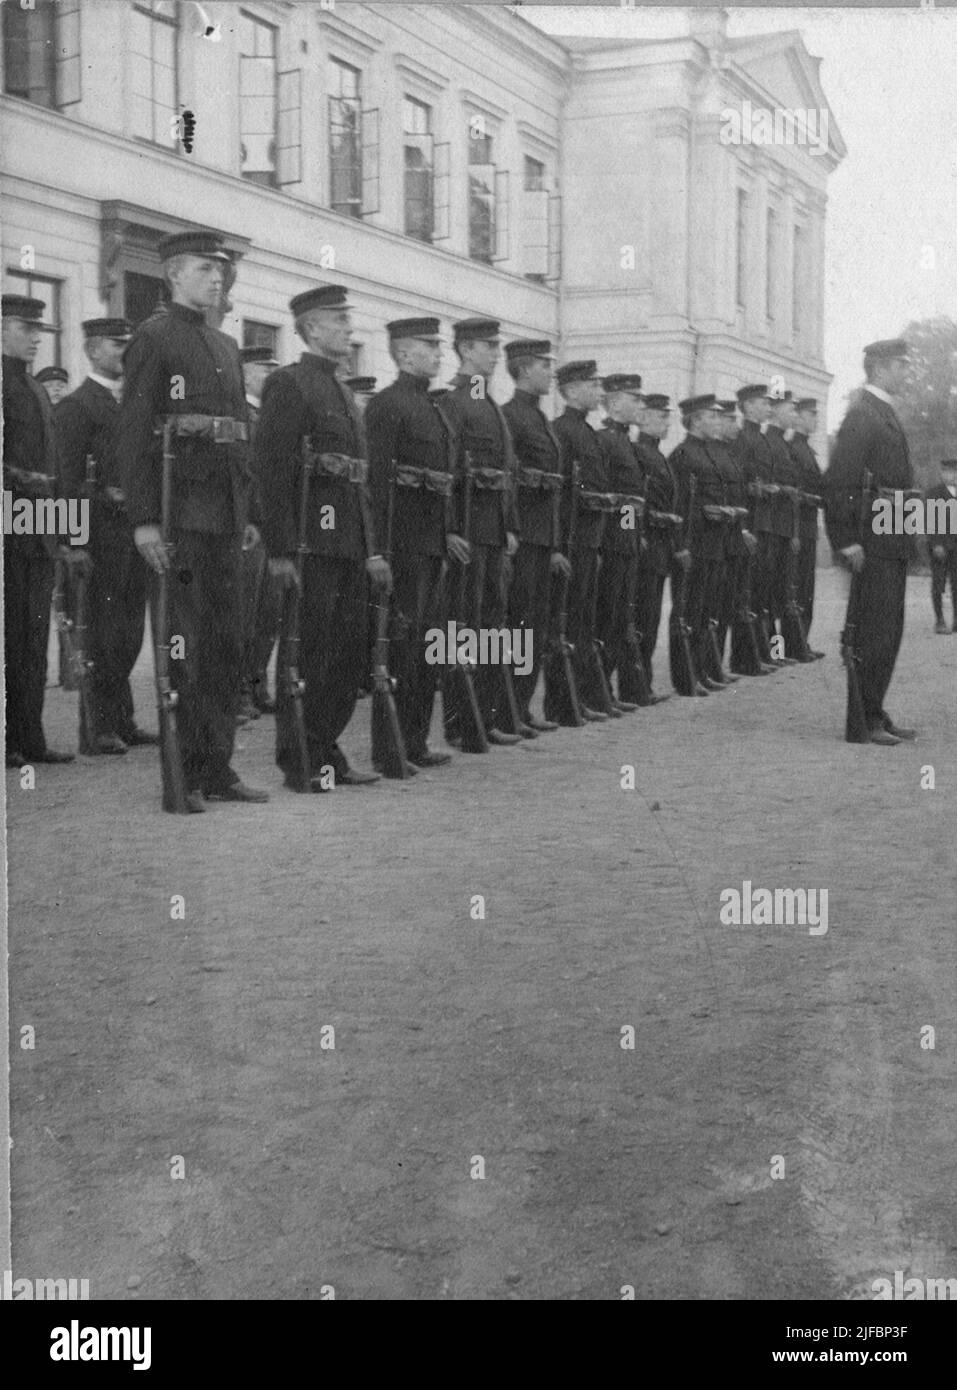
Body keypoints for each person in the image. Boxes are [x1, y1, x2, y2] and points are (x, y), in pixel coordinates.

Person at [118, 229, 268, 810]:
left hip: (225, 515)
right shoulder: (153, 339)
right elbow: (135, 433)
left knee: (227, 644)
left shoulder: (226, 346)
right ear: (174, 274)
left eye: (220, 269)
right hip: (179, 514)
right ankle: (182, 777)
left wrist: (247, 510)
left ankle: (217, 768)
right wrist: (144, 521)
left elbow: (240, 435)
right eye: (205, 268)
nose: (216, 277)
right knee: (184, 648)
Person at [255, 284, 390, 790]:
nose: (348, 329)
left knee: (347, 655)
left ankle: (327, 749)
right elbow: (272, 470)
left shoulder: (343, 392)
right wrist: (281, 549)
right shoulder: (289, 384)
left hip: (348, 543)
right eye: (339, 320)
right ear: (311, 327)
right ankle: (300, 760)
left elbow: (359, 481)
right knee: (307, 652)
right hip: (311, 543)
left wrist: (371, 548)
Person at [55, 317, 156, 754]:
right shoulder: (75, 407)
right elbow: (64, 479)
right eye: (117, 345)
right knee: (101, 633)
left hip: (132, 534)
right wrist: (72, 542)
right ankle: (96, 728)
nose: (125, 353)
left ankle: (122, 720)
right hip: (97, 537)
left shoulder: (133, 404)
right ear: (93, 351)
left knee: (130, 633)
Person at [365, 317, 462, 770]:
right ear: (404, 354)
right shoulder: (387, 405)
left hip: (431, 544)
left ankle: (416, 741)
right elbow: (376, 483)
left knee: (426, 647)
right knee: (400, 646)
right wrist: (377, 549)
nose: (439, 354)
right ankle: (390, 750)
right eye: (430, 346)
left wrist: (447, 532)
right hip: (401, 543)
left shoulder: (432, 407)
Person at [823, 338, 916, 745]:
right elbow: (839, 481)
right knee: (872, 631)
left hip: (891, 532)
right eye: (900, 365)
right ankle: (862, 721)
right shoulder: (863, 415)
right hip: (872, 536)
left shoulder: (884, 413)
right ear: (879, 368)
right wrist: (845, 540)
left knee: (889, 629)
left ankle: (874, 710)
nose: (906, 372)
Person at [437, 317, 523, 746]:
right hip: (468, 533)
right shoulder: (454, 402)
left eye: (496, 346)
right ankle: (459, 722)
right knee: (460, 627)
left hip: (492, 533)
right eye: (488, 346)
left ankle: (484, 718)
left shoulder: (488, 403)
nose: (496, 354)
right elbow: (447, 472)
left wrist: (510, 526)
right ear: (466, 350)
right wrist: (450, 528)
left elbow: (506, 473)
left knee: (490, 625)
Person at [3, 294, 76, 766]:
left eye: (38, 331)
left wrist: (68, 536)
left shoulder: (32, 387)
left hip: (38, 530)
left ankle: (30, 739)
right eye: (26, 329)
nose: (35, 339)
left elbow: (57, 468)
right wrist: (18, 479)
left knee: (32, 639)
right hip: (8, 527)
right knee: (9, 637)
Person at [501, 338, 569, 732]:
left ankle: (522, 708)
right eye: (545, 366)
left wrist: (555, 544)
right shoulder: (510, 416)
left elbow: (554, 490)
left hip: (542, 538)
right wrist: (512, 529)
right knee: (519, 626)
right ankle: (507, 710)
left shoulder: (540, 417)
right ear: (524, 370)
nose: (551, 373)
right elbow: (510, 479)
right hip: (524, 537)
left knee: (535, 626)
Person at [551, 360, 617, 720]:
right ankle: (563, 703)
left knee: (584, 623)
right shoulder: (562, 431)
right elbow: (558, 496)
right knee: (566, 623)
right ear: (573, 390)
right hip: (571, 540)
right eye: (592, 385)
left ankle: (580, 698)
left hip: (590, 540)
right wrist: (557, 546)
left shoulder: (589, 433)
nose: (598, 391)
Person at [669, 395, 729, 693]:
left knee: (705, 611)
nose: (718, 422)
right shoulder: (683, 455)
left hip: (712, 542)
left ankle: (701, 670)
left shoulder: (708, 453)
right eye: (712, 416)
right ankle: (685, 678)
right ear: (695, 420)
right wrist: (680, 545)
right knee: (687, 612)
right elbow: (678, 504)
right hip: (693, 543)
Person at [596, 374, 645, 710]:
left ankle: (607, 691)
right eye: (633, 398)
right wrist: (617, 536)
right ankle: (598, 691)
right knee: (606, 617)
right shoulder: (605, 441)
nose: (639, 404)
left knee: (619, 618)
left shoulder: (626, 442)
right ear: (614, 403)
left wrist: (632, 534)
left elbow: (630, 499)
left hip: (624, 542)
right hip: (610, 544)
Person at [237, 345, 280, 722]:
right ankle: (238, 693)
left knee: (269, 613)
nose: (269, 375)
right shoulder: (239, 415)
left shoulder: (270, 417)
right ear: (245, 374)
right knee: (244, 612)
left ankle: (257, 685)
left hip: (272, 527)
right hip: (248, 527)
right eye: (263, 369)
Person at [709, 400, 762, 676]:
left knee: (730, 602)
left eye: (734, 420)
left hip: (734, 536)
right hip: (714, 539)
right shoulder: (708, 454)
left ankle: (717, 665)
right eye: (729, 420)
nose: (735, 426)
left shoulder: (729, 454)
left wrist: (742, 528)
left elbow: (738, 497)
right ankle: (708, 667)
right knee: (713, 605)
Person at [633, 393, 678, 701]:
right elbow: (633, 501)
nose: (667, 423)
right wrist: (637, 532)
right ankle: (635, 686)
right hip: (646, 544)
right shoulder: (639, 453)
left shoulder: (659, 456)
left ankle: (642, 684)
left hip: (660, 546)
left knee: (651, 618)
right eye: (661, 417)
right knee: (640, 617)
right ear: (644, 418)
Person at [764, 389, 808, 661]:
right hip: (771, 528)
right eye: (790, 409)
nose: (794, 414)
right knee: (769, 596)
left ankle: (777, 653)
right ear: (775, 410)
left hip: (785, 528)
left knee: (782, 594)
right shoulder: (769, 442)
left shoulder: (783, 443)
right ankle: (771, 652)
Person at [788, 398, 825, 656]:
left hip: (808, 525)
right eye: (811, 414)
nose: (816, 420)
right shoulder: (793, 449)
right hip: (797, 526)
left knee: (806, 588)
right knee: (795, 587)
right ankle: (793, 645)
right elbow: (796, 491)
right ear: (798, 417)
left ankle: (801, 643)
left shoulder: (807, 450)